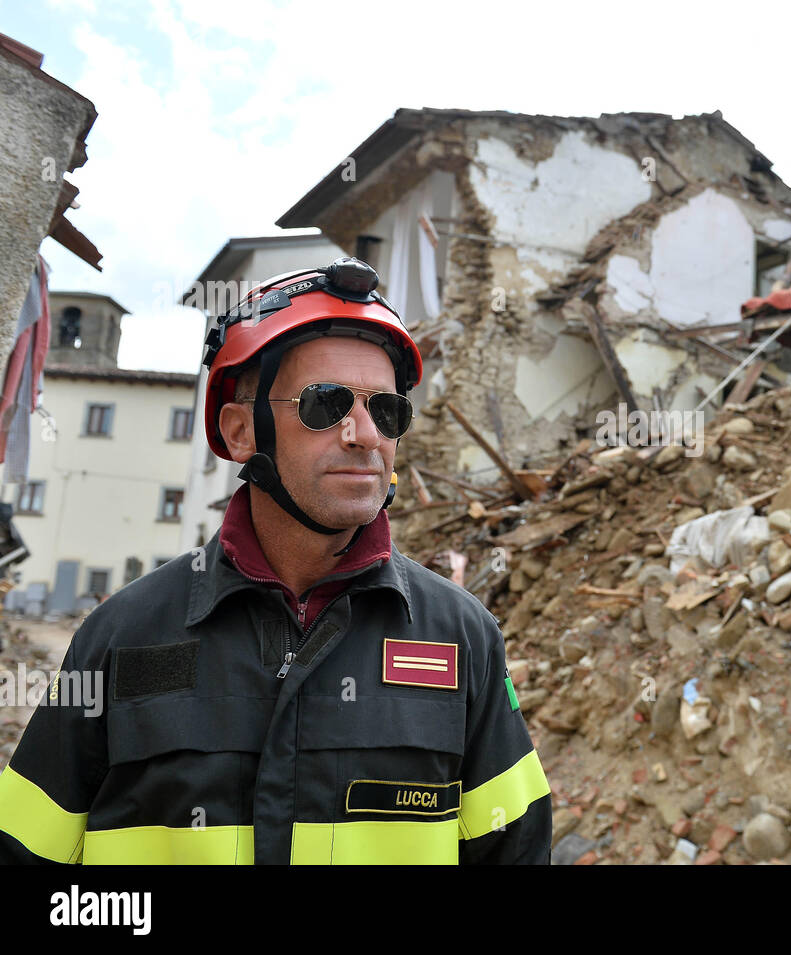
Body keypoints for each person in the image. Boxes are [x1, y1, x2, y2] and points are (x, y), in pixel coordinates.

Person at [0, 258, 551, 864]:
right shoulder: (121, 637)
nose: (364, 433)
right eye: (327, 403)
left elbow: (515, 849)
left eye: (386, 410)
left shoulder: (461, 638)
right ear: (241, 432)